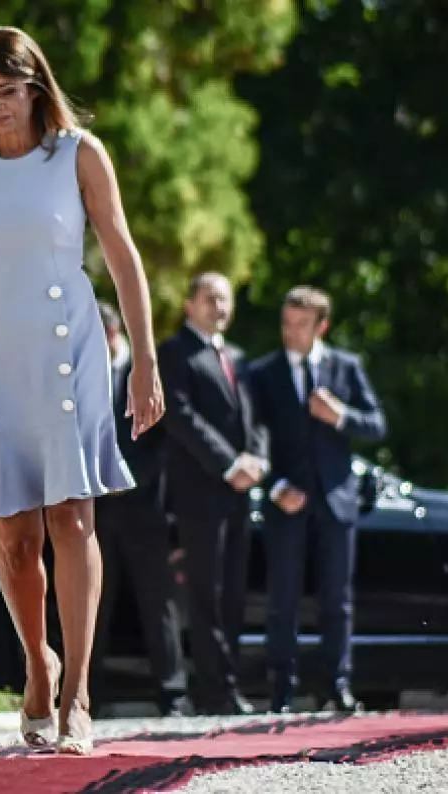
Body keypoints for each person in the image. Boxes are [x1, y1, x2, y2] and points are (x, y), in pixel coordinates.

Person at [0, 26, 164, 754]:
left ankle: (79, 694)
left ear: (37, 86)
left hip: (71, 344)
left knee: (72, 518)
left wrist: (147, 362)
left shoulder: (80, 153)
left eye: (8, 91)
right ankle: (38, 662)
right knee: (12, 537)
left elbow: (122, 257)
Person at [248, 285, 386, 713]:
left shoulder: (346, 367)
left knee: (337, 600)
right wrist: (273, 487)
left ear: (321, 326)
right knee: (282, 598)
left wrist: (340, 415)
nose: (291, 332)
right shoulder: (262, 373)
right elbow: (251, 437)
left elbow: (377, 425)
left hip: (336, 500)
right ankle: (281, 690)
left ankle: (337, 685)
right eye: (286, 323)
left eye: (301, 325)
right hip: (285, 501)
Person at [157, 272, 267, 716]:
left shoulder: (237, 357)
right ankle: (215, 691)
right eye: (209, 299)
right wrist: (228, 463)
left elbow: (255, 419)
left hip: (240, 493)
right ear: (189, 305)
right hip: (200, 493)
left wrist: (257, 460)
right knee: (206, 594)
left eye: (224, 300)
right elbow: (180, 416)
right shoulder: (175, 352)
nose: (218, 307)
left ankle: (227, 684)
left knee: (234, 594)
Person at [90, 302, 188, 718]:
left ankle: (173, 695)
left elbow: (166, 442)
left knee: (157, 603)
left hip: (143, 508)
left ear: (111, 335)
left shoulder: (148, 374)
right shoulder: (83, 376)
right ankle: (85, 695)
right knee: (92, 602)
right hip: (95, 509)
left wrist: (126, 478)